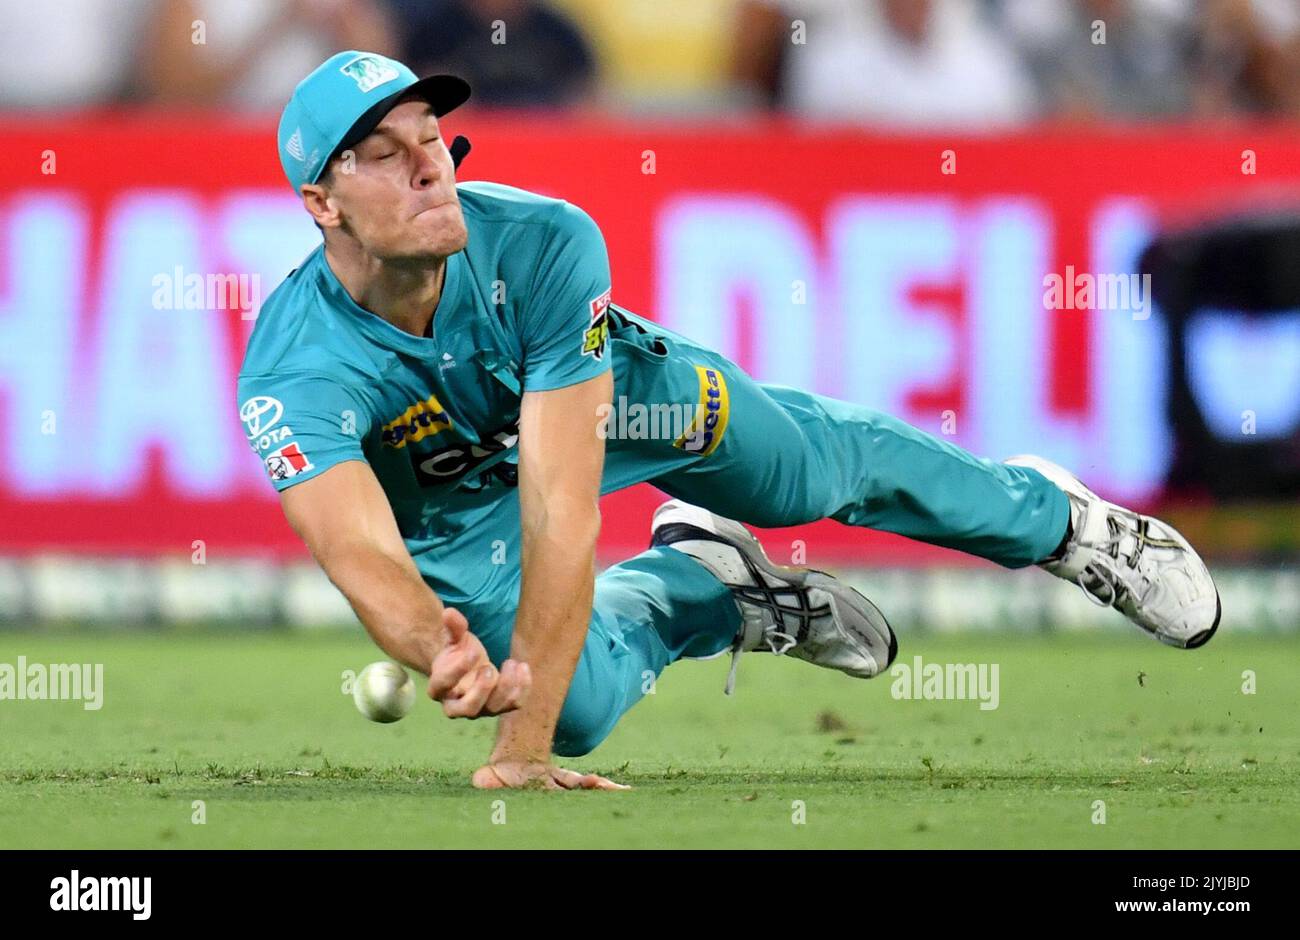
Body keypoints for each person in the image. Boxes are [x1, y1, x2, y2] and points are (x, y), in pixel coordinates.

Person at [238, 51, 1220, 790]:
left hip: (619, 400)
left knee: (802, 477)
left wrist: (517, 747)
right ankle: (704, 589)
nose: (428, 165)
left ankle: (1069, 525)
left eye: (429, 135)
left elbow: (561, 506)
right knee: (572, 705)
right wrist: (434, 644)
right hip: (455, 514)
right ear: (321, 199)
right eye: (384, 151)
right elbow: (357, 545)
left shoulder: (541, 241)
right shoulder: (294, 369)